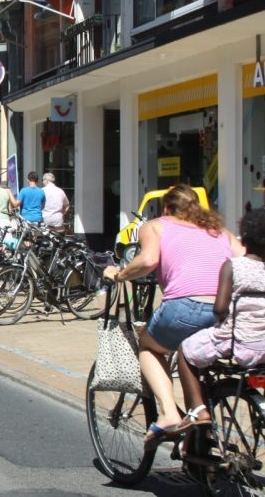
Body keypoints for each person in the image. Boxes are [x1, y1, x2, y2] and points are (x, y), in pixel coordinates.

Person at [102, 184, 244, 442]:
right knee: (191, 355)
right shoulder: (219, 230)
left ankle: (168, 413)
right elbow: (244, 258)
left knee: (148, 346)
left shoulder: (155, 226)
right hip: (226, 310)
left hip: (185, 306)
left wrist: (120, 274)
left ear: (166, 208)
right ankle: (197, 431)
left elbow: (147, 260)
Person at [175, 208, 265, 433]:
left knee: (185, 351)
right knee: (253, 356)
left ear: (243, 237)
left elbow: (220, 308)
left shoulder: (233, 266)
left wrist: (225, 316)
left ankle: (198, 409)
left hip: (236, 342)